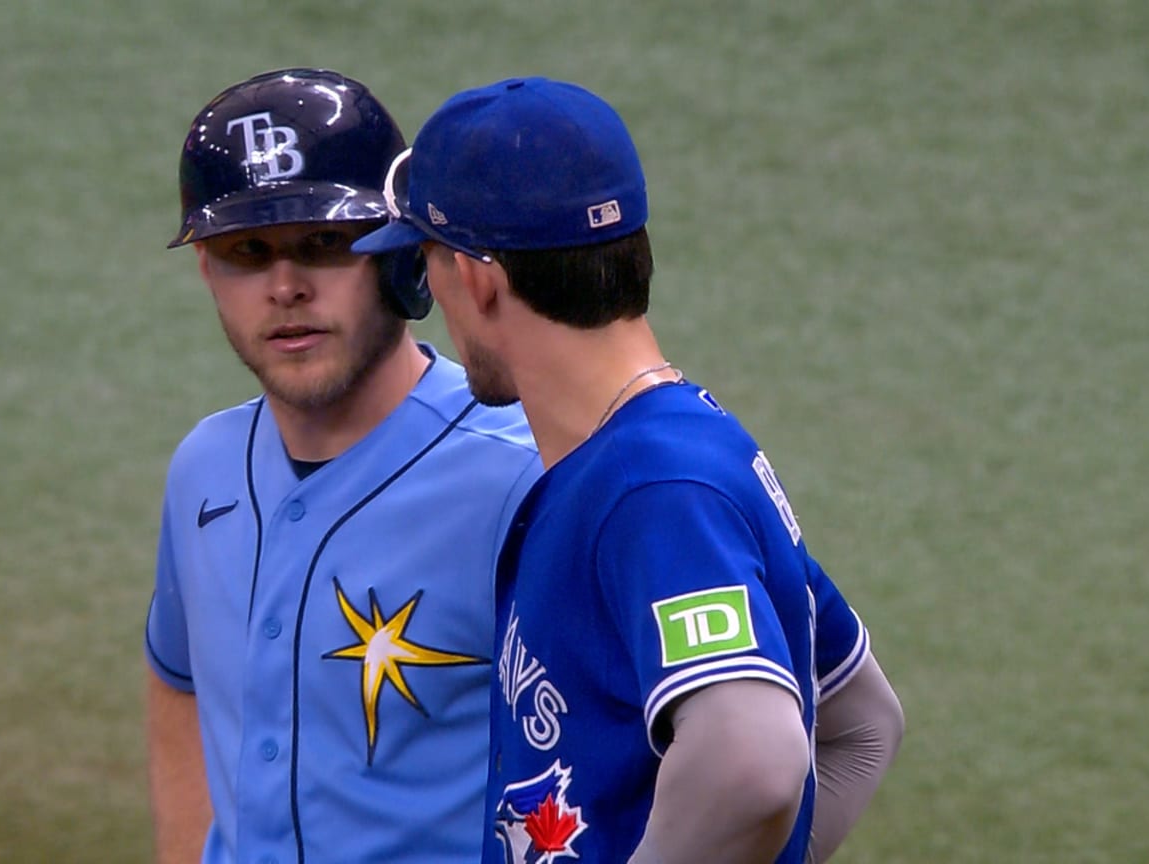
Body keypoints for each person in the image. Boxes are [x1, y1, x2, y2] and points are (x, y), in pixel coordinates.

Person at [353, 77, 905, 864]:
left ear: (476, 278)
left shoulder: (651, 489)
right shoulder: (677, 453)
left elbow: (753, 765)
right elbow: (861, 725)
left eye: (427, 263)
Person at [143, 68, 542, 864]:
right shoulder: (204, 472)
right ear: (206, 272)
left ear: (400, 255)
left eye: (324, 244)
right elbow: (178, 680)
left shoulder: (523, 479)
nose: (285, 288)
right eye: (246, 253)